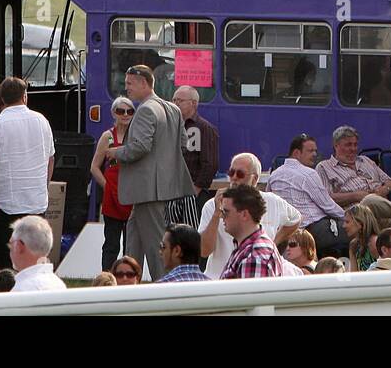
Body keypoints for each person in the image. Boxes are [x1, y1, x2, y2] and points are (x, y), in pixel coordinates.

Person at [107, 64, 196, 281]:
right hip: (158, 189)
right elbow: (183, 144)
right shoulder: (172, 108)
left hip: (148, 190)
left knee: (157, 244)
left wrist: (115, 152)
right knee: (133, 238)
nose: (125, 88)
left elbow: (140, 147)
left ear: (144, 83)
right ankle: (127, 280)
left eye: (129, 83)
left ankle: (165, 287)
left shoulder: (146, 109)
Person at [0, 76, 55, 272]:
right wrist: (43, 185)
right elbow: (50, 159)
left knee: (8, 257)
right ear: (25, 97)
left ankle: (8, 289)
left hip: (6, 202)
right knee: (36, 253)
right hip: (35, 200)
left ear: (2, 98)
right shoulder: (42, 120)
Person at [201, 152, 302, 279]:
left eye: (240, 174)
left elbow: (295, 218)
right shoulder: (212, 205)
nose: (234, 178)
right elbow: (204, 251)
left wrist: (273, 242)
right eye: (231, 173)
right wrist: (216, 214)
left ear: (254, 179)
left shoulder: (272, 201)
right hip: (218, 281)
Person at [268, 134, 347, 257]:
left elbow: (270, 200)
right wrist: (350, 218)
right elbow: (328, 206)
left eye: (315, 151)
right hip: (314, 231)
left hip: (285, 232)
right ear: (296, 153)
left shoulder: (274, 175)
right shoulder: (309, 174)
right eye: (310, 151)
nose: (315, 154)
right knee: (357, 231)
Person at [315, 125, 391, 226]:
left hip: (381, 208)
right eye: (348, 145)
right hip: (356, 214)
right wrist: (355, 196)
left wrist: (384, 189)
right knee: (369, 199)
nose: (353, 148)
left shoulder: (365, 160)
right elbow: (326, 199)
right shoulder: (324, 167)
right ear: (336, 145)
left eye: (355, 144)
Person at [90, 96, 135, 272]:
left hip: (132, 194)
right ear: (113, 113)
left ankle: (128, 276)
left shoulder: (137, 136)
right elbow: (94, 167)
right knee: (111, 242)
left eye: (129, 111)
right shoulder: (107, 137)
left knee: (130, 244)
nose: (125, 115)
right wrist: (107, 186)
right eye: (120, 111)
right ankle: (107, 277)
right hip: (112, 196)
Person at [172, 86, 218, 216]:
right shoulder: (170, 126)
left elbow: (210, 163)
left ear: (193, 103)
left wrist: (196, 189)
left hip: (194, 193)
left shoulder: (205, 128)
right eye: (174, 100)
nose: (175, 104)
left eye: (180, 100)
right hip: (171, 192)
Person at [220, 185, 282, 279]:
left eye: (226, 212)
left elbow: (250, 294)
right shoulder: (248, 249)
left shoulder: (254, 257)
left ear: (244, 214)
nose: (222, 216)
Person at [9, 215, 66, 292]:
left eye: (11, 244)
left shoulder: (21, 289)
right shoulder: (59, 285)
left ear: (19, 246)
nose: (10, 248)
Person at [344, 202, 382, 271]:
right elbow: (354, 275)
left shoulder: (375, 243)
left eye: (347, 222)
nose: (344, 226)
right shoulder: (354, 245)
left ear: (360, 223)